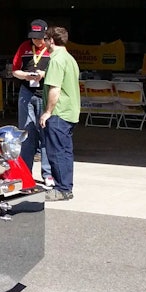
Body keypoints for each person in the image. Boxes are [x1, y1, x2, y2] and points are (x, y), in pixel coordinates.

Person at [39, 26, 80, 201]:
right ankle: (66, 187)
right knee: (65, 152)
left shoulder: (55, 60)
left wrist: (47, 112)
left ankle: (62, 189)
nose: (44, 43)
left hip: (59, 113)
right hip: (70, 112)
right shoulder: (69, 58)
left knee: (55, 152)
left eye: (45, 39)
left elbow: (55, 89)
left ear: (51, 41)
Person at [10, 19, 53, 188]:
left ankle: (48, 173)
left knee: (45, 133)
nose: (37, 41)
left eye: (40, 38)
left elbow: (58, 72)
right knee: (27, 133)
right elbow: (15, 70)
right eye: (34, 38)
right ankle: (26, 172)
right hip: (26, 92)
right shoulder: (24, 47)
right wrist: (26, 76)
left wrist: (44, 74)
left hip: (44, 93)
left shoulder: (51, 50)